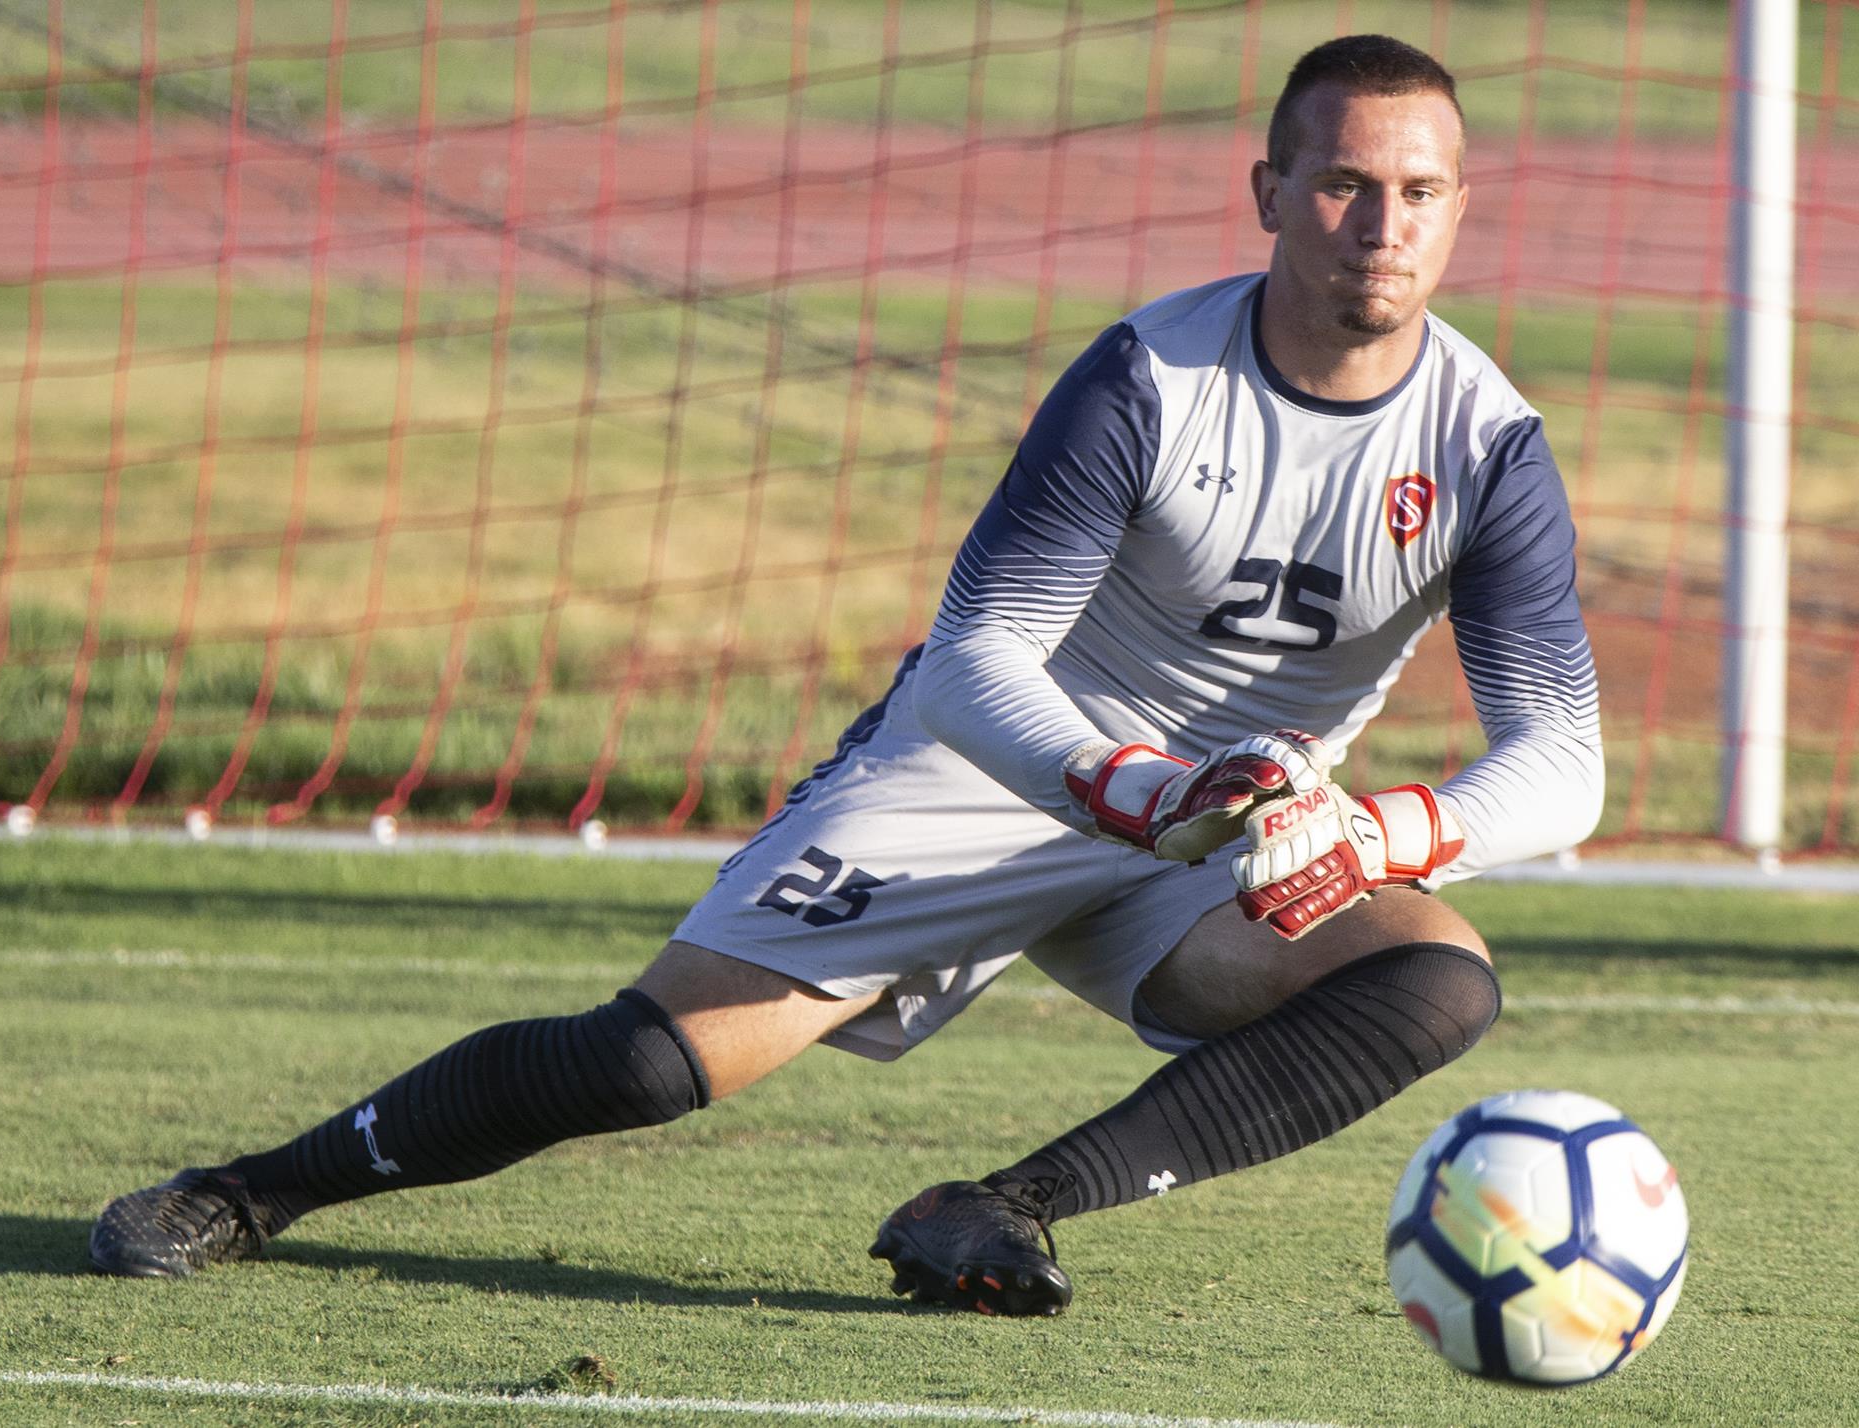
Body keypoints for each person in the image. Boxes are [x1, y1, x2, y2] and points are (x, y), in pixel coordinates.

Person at [91, 34, 1602, 1318]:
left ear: (1460, 210)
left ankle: (1001, 1208)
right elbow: (968, 665)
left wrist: (1379, 832)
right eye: (1342, 183)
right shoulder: (1150, 380)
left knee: (1433, 976)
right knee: (650, 1065)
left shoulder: (1487, 445)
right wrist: (1133, 786)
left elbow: (1563, 764)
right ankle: (248, 1192)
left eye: (1417, 193)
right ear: (1271, 192)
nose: (1378, 225)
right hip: (995, 775)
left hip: (1218, 848)